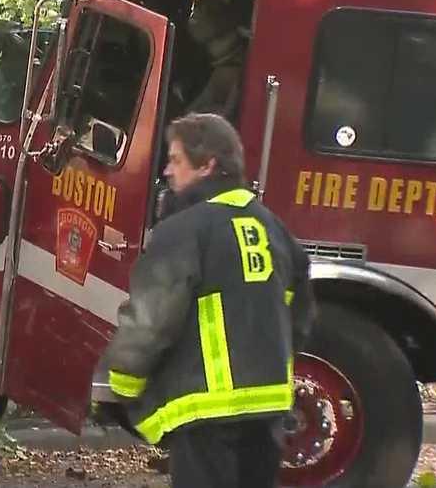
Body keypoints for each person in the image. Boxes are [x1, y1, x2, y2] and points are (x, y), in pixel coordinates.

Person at [101, 113, 315, 488]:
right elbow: (297, 317)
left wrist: (121, 386)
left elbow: (151, 321)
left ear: (207, 165)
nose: (167, 171)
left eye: (176, 160)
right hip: (268, 409)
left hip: (207, 415)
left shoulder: (183, 231)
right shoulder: (274, 228)